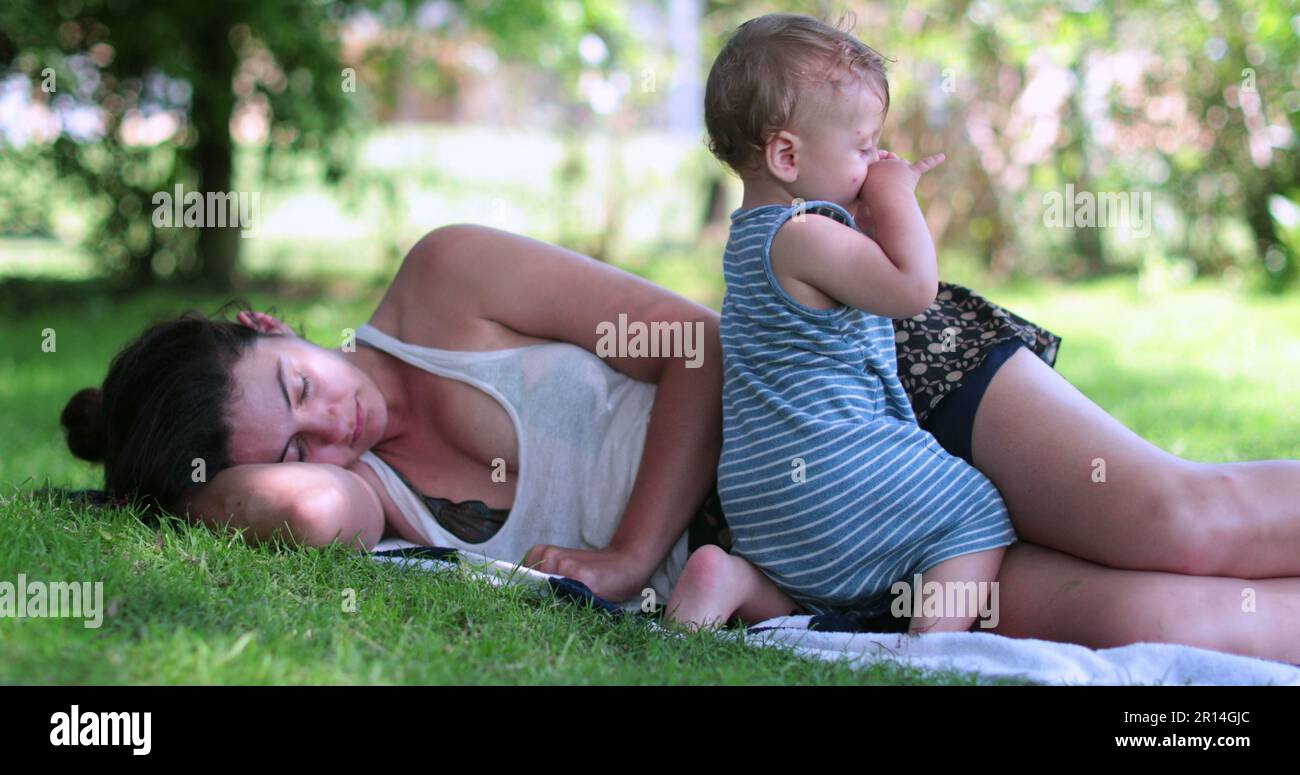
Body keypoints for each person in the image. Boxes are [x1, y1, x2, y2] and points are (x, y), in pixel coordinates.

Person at [665, 13, 1011, 634]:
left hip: (760, 497)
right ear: (787, 155)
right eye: (861, 148)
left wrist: (862, 201)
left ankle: (731, 578)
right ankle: (931, 653)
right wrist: (897, 193)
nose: (876, 160)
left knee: (809, 598)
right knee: (978, 512)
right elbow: (912, 289)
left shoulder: (751, 240)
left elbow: (858, 276)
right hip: (834, 471)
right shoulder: (804, 234)